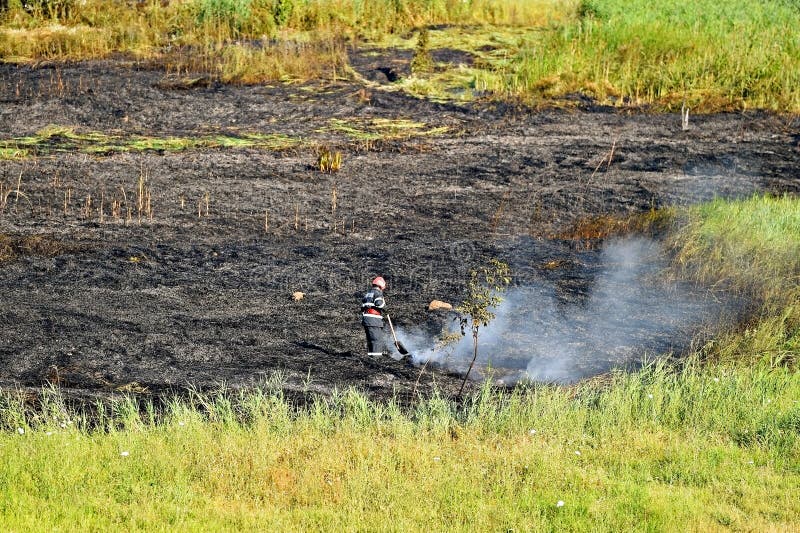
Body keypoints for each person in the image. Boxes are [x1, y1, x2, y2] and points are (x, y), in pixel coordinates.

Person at [361, 276, 388, 358]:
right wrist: (385, 308)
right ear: (381, 286)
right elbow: (379, 303)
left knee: (370, 340)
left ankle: (370, 357)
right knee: (377, 339)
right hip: (374, 320)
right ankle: (377, 358)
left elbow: (362, 307)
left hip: (366, 319)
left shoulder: (368, 294)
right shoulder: (378, 293)